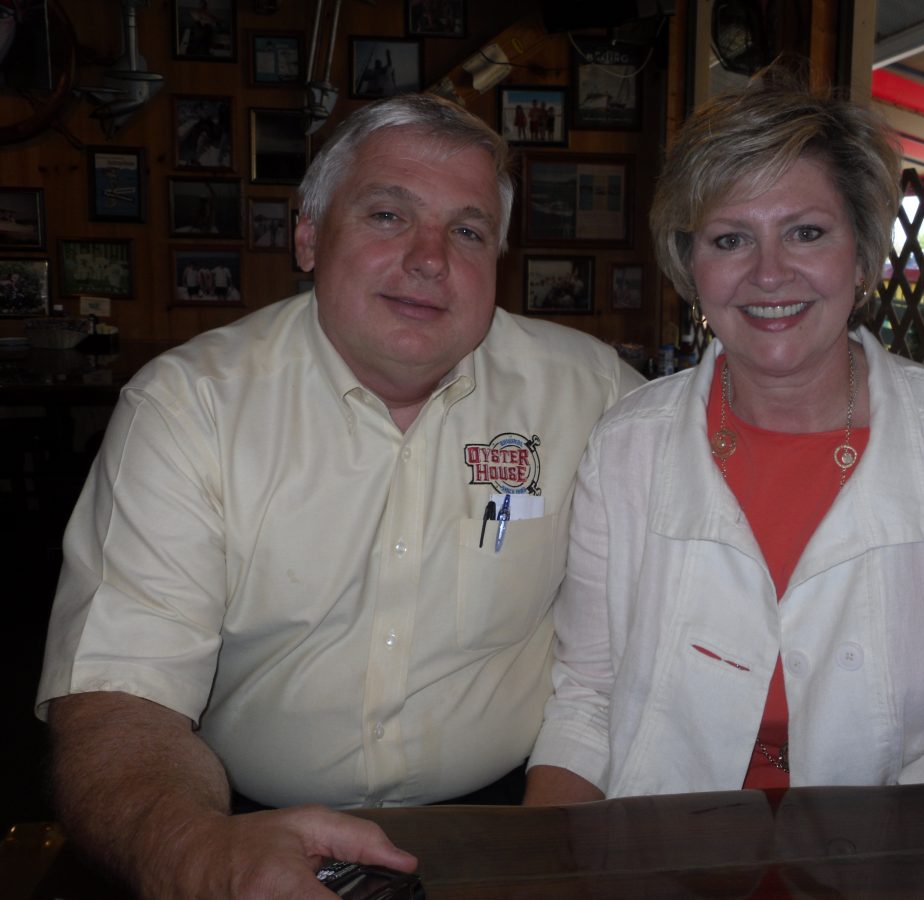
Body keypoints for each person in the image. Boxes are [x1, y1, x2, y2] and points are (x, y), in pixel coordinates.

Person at [36, 92, 643, 897]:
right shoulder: (190, 409)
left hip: (514, 815)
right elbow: (118, 703)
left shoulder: (593, 392)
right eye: (389, 215)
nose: (431, 258)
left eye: (467, 231)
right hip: (234, 820)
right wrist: (191, 851)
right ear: (308, 235)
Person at [523, 60, 924, 804]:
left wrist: (862, 846)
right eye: (730, 240)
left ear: (861, 257)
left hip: (893, 865)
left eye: (806, 232)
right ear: (690, 267)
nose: (769, 273)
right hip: (656, 859)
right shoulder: (626, 445)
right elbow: (586, 702)